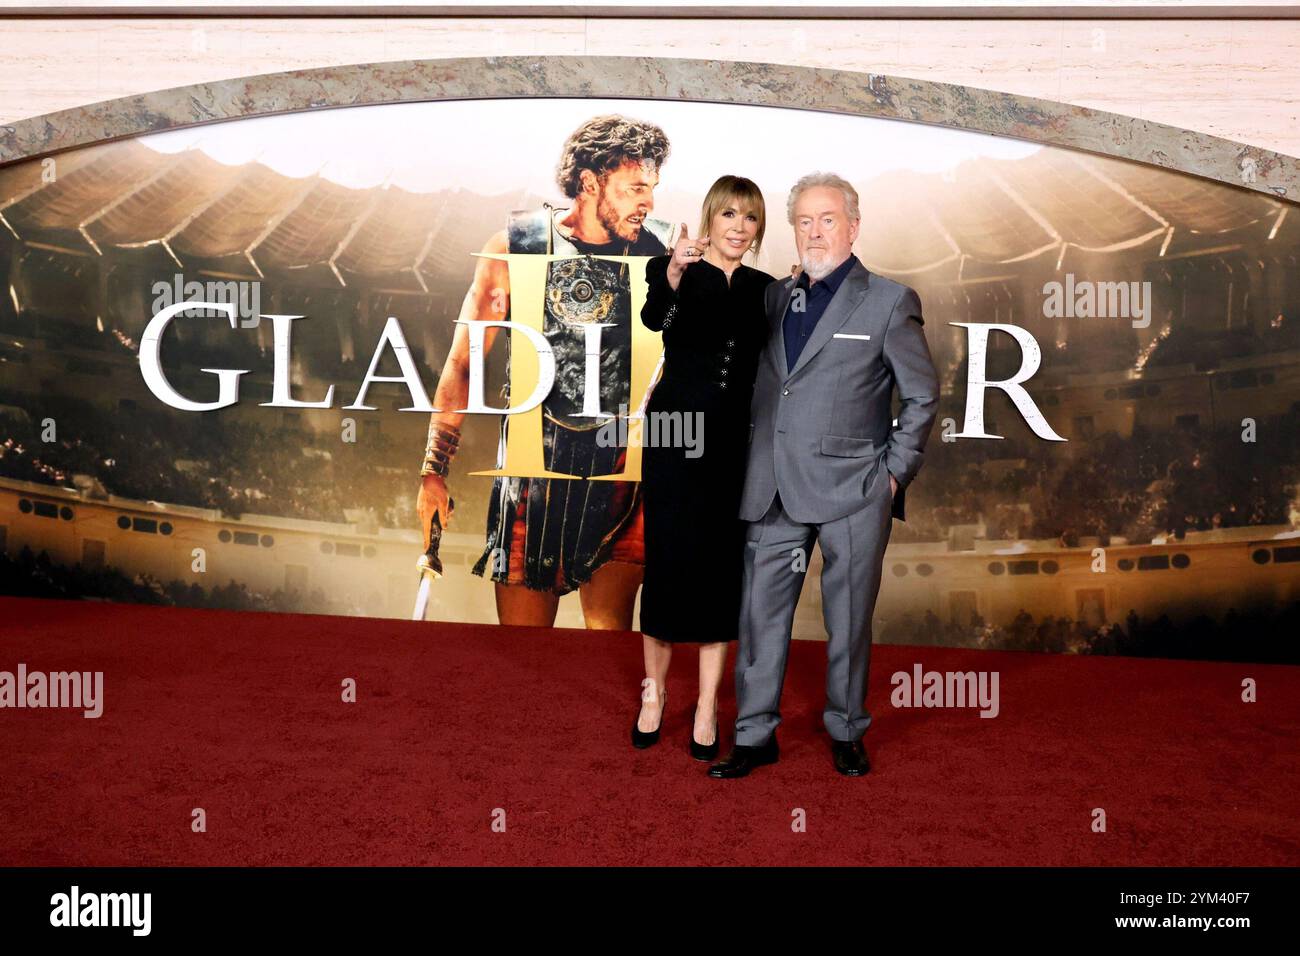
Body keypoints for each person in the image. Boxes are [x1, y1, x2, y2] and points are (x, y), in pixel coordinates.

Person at [709, 171, 940, 779]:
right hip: (773, 489)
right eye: (804, 221)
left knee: (848, 621)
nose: (815, 231)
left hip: (854, 491)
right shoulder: (774, 297)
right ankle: (754, 736)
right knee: (759, 619)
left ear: (854, 226)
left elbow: (922, 397)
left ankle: (845, 728)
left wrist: (893, 475)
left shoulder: (891, 301)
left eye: (827, 219)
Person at [416, 114, 675, 629]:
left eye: (653, 189)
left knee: (608, 653)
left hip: (621, 476)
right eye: (635, 188)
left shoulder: (661, 252)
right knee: (526, 660)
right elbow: (466, 358)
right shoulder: (516, 246)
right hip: (532, 476)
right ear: (590, 182)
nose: (648, 202)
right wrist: (433, 468)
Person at [633, 176, 776, 760]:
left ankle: (708, 704)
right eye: (730, 216)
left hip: (730, 447)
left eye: (751, 219)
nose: (739, 228)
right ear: (710, 219)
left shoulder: (769, 290)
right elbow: (653, 318)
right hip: (673, 437)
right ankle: (654, 693)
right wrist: (670, 275)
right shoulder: (674, 272)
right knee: (666, 561)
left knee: (720, 571)